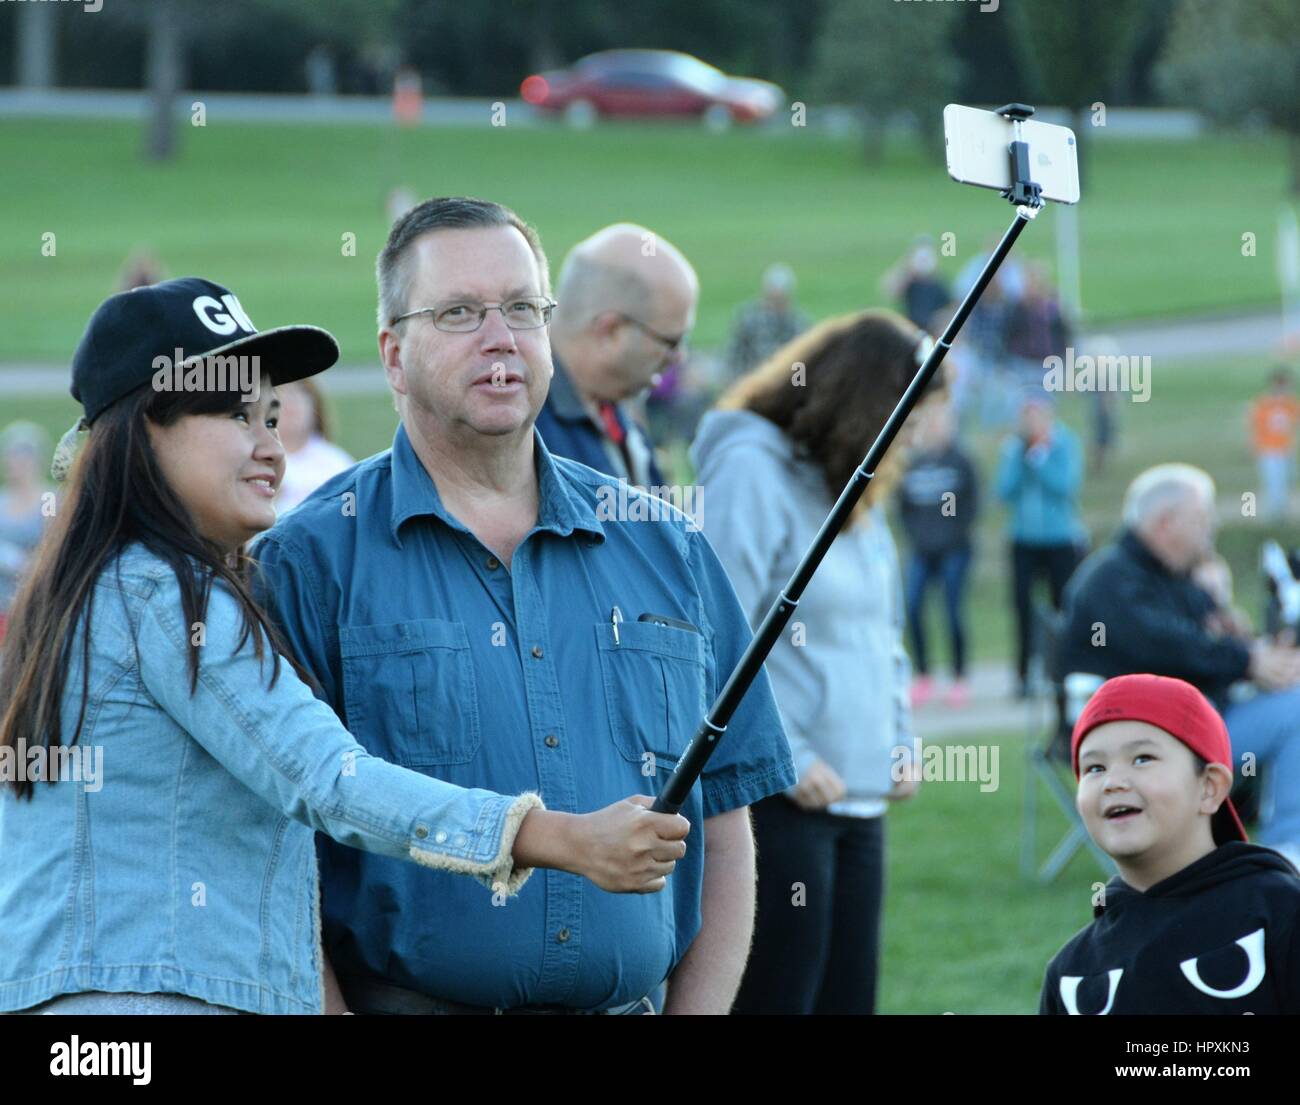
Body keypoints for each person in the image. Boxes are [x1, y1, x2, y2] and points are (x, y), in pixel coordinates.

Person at [0, 278, 686, 1016]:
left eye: (272, 416)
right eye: (237, 416)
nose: (273, 448)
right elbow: (329, 777)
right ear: (142, 431)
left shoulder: (84, 590)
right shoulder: (165, 594)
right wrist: (557, 837)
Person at [253, 196, 795, 1016]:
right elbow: (270, 854)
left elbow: (723, 820)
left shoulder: (668, 549)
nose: (500, 336)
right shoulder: (306, 563)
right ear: (394, 356)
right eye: (461, 312)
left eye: (521, 308)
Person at [692, 308, 928, 1015]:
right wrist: (787, 752)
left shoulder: (858, 488)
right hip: (780, 797)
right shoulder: (750, 470)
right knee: (779, 998)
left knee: (850, 1000)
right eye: (908, 419)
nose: (915, 438)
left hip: (860, 795)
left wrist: (899, 735)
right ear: (866, 406)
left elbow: (883, 631)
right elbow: (718, 629)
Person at [1056, 464, 1300, 865]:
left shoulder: (1159, 575)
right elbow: (1167, 646)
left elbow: (1204, 638)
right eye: (1203, 520)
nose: (1212, 529)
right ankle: (1285, 850)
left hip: (1172, 725)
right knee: (1294, 712)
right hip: (1140, 738)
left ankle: (1272, 839)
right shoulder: (1114, 581)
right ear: (1166, 524)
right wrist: (1249, 661)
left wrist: (1235, 628)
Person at [1040, 673, 1300, 1015]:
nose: (1113, 782)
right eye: (1094, 767)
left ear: (1209, 787)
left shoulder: (1280, 911)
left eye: (1142, 758)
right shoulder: (1075, 973)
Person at [534, 223, 697, 489]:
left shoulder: (610, 405)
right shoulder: (522, 432)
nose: (679, 357)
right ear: (610, 331)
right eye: (672, 342)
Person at [996, 391, 1085, 697]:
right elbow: (1003, 491)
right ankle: (1023, 675)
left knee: (1063, 606)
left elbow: (1066, 486)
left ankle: (1064, 671)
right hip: (1023, 540)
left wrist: (1041, 461)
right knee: (1022, 606)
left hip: (1060, 539)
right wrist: (1023, 460)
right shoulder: (1014, 449)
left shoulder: (1064, 443)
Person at [895, 400, 980, 708]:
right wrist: (919, 537)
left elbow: (972, 506)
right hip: (922, 551)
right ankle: (923, 674)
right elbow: (903, 508)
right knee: (913, 607)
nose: (934, 427)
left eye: (940, 422)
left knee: (952, 612)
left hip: (954, 551)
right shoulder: (914, 464)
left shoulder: (961, 462)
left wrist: (951, 537)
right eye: (929, 422)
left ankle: (959, 677)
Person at [0, 423, 53, 643]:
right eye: (13, 457)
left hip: (33, 601)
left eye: (24, 457)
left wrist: (26, 562)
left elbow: (54, 541)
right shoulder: (2, 501)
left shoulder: (49, 499)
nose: (18, 464)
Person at [274, 378, 355, 512]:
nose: (291, 402)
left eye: (301, 393)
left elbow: (351, 513)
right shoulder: (256, 460)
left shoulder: (336, 462)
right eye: (281, 395)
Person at [722, 263, 812, 383]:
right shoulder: (749, 319)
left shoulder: (798, 323)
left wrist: (798, 387)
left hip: (785, 384)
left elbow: (803, 360)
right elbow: (735, 356)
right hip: (753, 383)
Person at [1249, 366, 1300, 520]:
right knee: (1274, 481)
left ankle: (1281, 510)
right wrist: (1254, 446)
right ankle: (1273, 514)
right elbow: (1255, 426)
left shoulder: (1289, 403)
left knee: (1286, 479)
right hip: (1269, 449)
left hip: (1285, 448)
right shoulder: (1264, 404)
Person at [879, 236, 950, 332]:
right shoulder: (909, 282)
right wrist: (906, 270)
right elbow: (890, 291)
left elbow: (949, 307)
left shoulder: (938, 283)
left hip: (933, 330)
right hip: (910, 327)